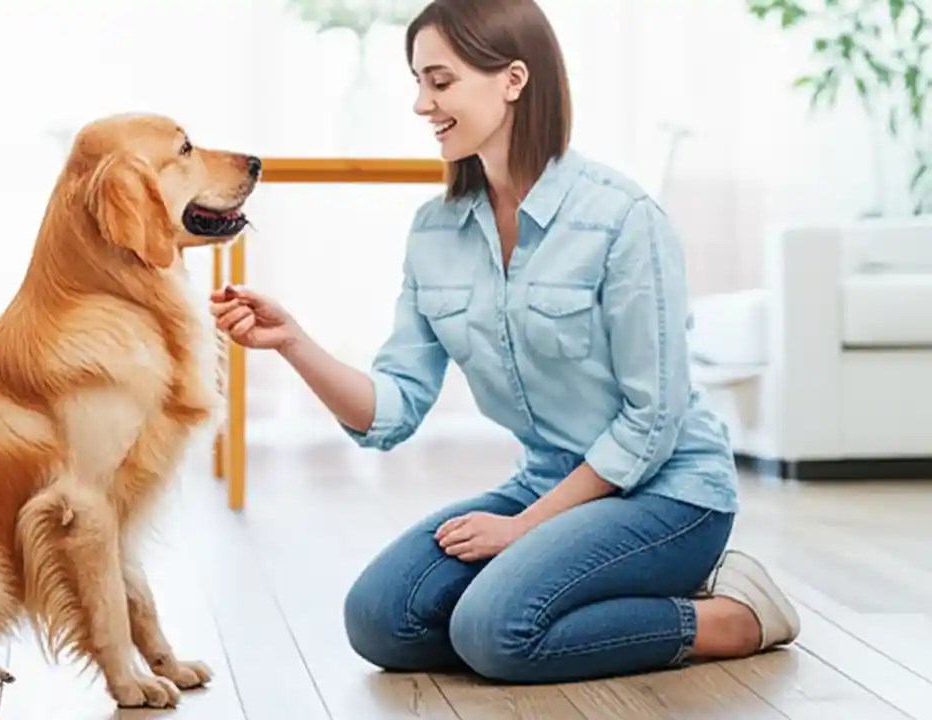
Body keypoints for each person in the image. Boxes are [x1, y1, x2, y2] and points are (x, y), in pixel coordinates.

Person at [209, 0, 800, 685]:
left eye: (440, 81)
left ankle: (728, 619)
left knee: (496, 632)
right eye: (418, 83)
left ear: (513, 79)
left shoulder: (621, 218)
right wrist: (293, 342)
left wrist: (523, 531)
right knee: (379, 619)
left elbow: (653, 422)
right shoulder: (436, 231)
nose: (421, 104)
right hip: (549, 484)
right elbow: (391, 411)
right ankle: (559, 595)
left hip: (669, 495)